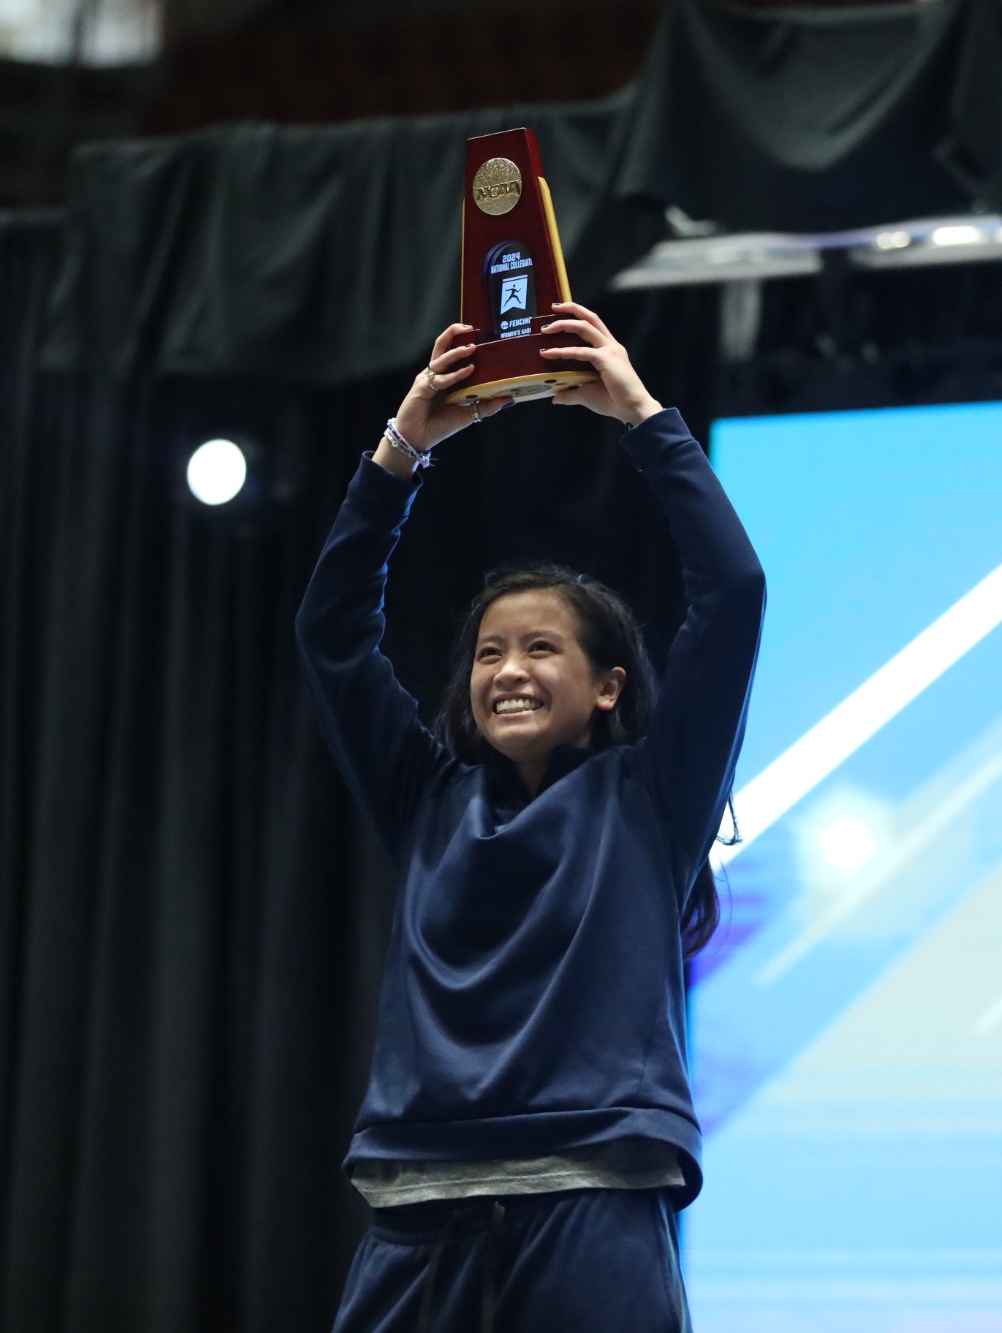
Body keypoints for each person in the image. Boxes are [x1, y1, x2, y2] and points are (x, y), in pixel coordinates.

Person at [296, 302, 764, 1331]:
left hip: (591, 1196)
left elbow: (731, 590)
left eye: (540, 647)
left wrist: (638, 414)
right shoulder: (424, 798)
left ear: (606, 685)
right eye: (486, 651)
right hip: (418, 1205)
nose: (507, 669)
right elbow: (330, 633)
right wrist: (402, 448)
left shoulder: (651, 798)